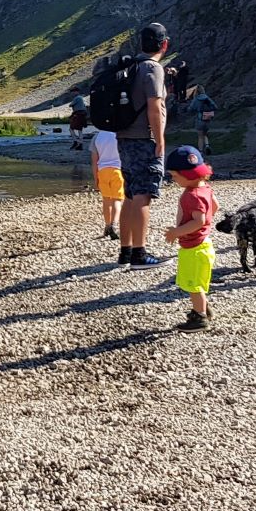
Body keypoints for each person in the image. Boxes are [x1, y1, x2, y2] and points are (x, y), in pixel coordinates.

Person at [117, 22, 171, 269]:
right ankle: (140, 254)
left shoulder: (131, 66)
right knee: (143, 194)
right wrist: (159, 140)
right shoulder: (153, 68)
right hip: (143, 138)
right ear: (164, 44)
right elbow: (155, 107)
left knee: (129, 192)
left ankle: (125, 251)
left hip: (124, 137)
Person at [161, 145, 217, 331]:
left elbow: (198, 221)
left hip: (193, 247)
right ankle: (204, 309)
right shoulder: (205, 188)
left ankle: (199, 317)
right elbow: (215, 206)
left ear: (188, 175)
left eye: (175, 176)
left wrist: (176, 232)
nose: (173, 179)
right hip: (204, 243)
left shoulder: (191, 195)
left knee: (193, 285)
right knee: (197, 281)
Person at [88, 127, 123, 240]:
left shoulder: (97, 137)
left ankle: (107, 226)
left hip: (103, 171)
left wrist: (96, 178)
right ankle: (114, 225)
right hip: (117, 170)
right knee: (117, 200)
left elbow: (94, 161)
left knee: (106, 200)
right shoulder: (120, 134)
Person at [185, 84, 216, 154]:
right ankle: (207, 146)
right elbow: (215, 106)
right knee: (205, 133)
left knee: (200, 136)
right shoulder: (207, 98)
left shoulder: (196, 99)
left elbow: (191, 108)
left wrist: (187, 109)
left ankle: (200, 151)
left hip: (200, 118)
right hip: (208, 118)